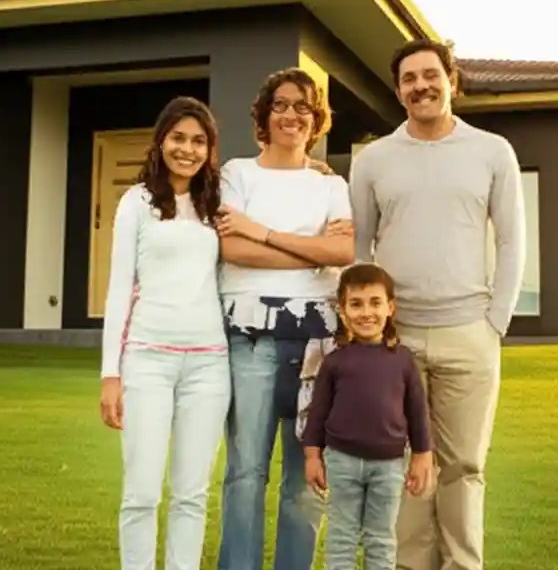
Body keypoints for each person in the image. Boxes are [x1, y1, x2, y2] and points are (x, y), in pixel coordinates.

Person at [349, 39, 525, 570]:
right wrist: (368, 330)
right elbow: (361, 249)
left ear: (451, 80)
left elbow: (513, 240)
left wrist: (496, 320)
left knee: (464, 465)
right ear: (398, 88)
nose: (420, 86)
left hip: (470, 330)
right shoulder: (374, 159)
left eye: (430, 75)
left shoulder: (493, 151)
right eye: (408, 79)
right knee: (403, 462)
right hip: (394, 339)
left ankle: (462, 565)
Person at [213, 67, 355, 570]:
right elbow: (231, 249)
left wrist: (264, 234)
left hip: (317, 344)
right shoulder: (237, 173)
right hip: (250, 338)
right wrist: (313, 253)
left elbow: (343, 251)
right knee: (246, 472)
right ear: (264, 114)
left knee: (305, 479)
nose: (291, 114)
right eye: (280, 104)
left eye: (302, 107)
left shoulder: (331, 184)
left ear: (316, 119)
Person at [98, 96, 231, 570]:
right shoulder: (135, 202)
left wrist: (316, 170)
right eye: (178, 137)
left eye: (199, 141)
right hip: (147, 359)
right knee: (141, 492)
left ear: (209, 149)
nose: (187, 149)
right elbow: (118, 289)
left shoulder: (216, 202)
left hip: (209, 364)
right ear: (160, 140)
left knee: (192, 495)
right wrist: (110, 375)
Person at [302, 263, 433, 570]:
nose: (366, 313)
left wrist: (422, 455)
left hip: (388, 466)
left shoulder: (402, 361)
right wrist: (312, 457)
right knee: (341, 537)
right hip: (342, 462)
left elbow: (417, 411)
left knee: (381, 538)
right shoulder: (334, 362)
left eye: (375, 303)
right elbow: (317, 412)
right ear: (343, 310)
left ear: (390, 307)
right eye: (356, 304)